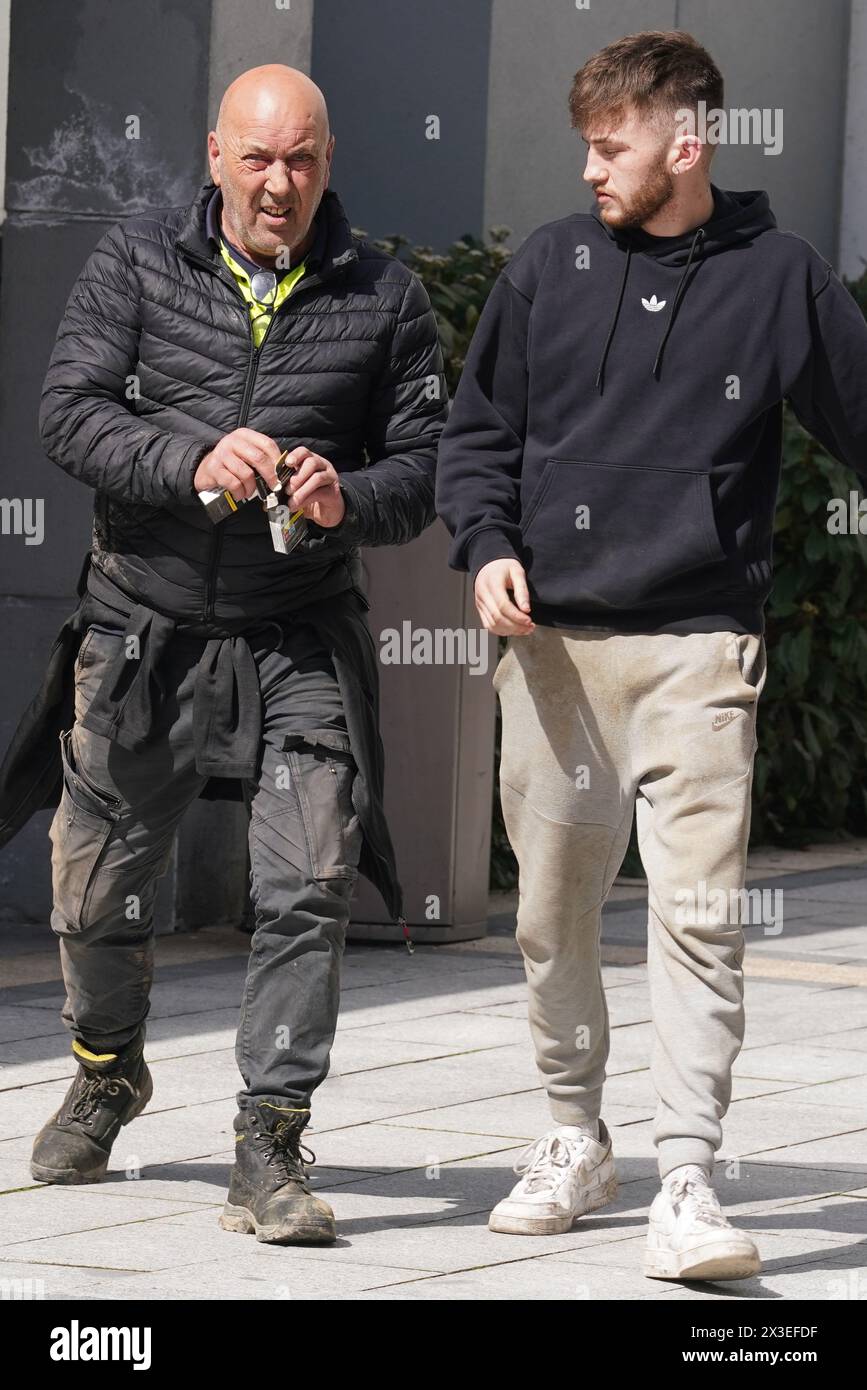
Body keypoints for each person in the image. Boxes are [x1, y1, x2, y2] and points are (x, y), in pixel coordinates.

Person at [435, 30, 867, 1281]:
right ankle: (576, 1136)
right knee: (551, 915)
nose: (588, 170)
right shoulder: (548, 271)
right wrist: (486, 544)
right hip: (554, 650)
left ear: (688, 143)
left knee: (698, 917)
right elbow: (478, 435)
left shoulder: (780, 276)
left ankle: (688, 1173)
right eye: (584, 144)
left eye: (610, 146)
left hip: (696, 651)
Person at [13, 64, 446, 1245]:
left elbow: (423, 470)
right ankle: (108, 1071)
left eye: (301, 160)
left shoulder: (384, 296)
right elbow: (68, 413)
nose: (279, 183)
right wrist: (193, 459)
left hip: (298, 627)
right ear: (213, 155)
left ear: (328, 160)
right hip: (142, 620)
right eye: (256, 158)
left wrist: (343, 493)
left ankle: (269, 1142)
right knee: (94, 888)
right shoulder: (138, 260)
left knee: (305, 884)